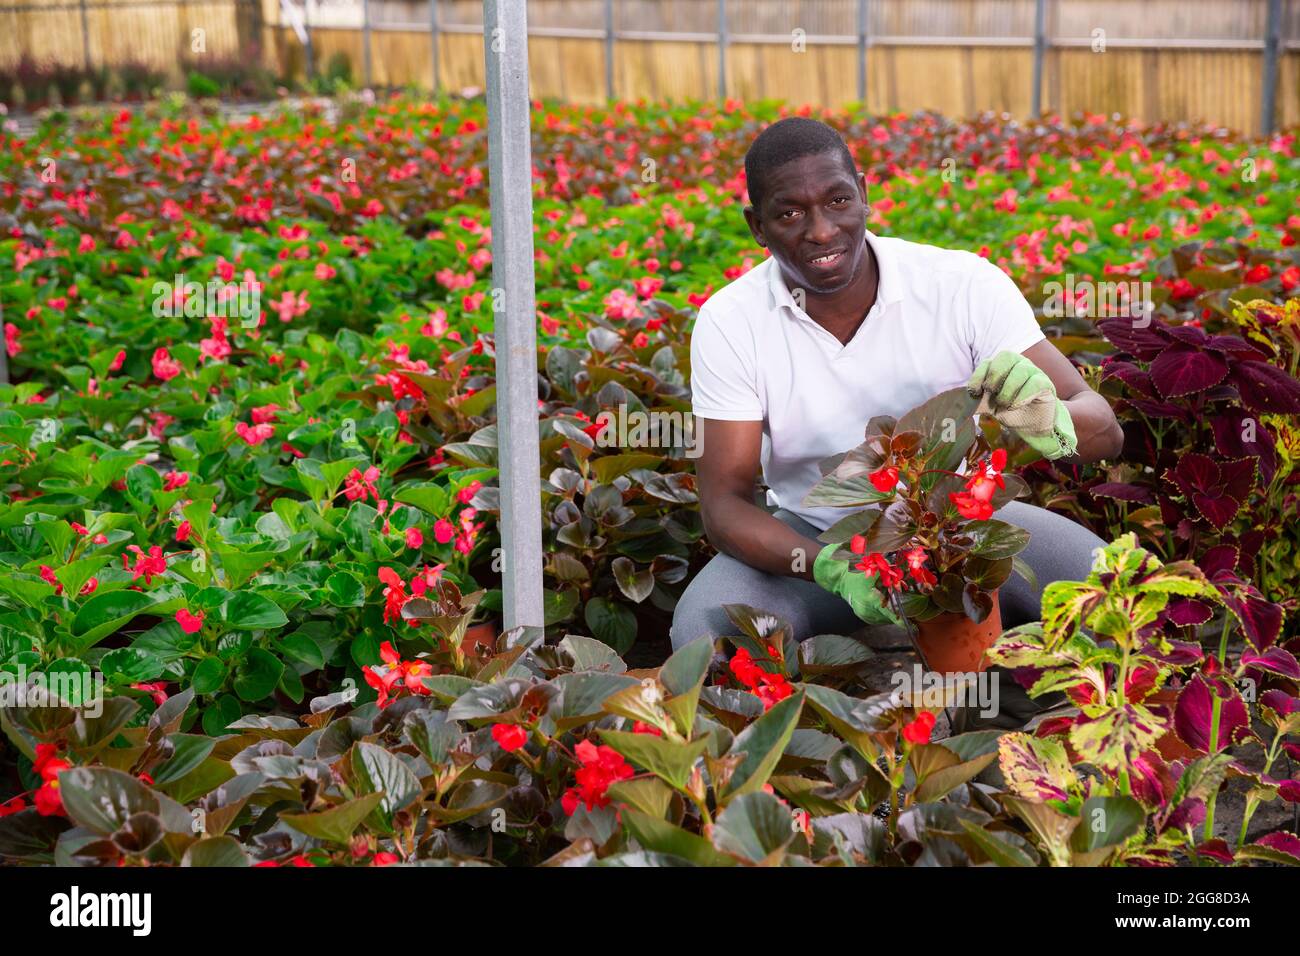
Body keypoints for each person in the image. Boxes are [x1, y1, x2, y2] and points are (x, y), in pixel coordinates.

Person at [672, 118, 1123, 723]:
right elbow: (724, 506)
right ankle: (824, 759)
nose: (822, 230)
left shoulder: (961, 285)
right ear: (757, 226)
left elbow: (1104, 431)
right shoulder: (733, 322)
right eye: (790, 214)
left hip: (961, 528)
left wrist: (1047, 417)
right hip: (822, 536)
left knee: (1112, 595)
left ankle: (1033, 732)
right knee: (705, 638)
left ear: (864, 191)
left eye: (838, 200)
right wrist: (828, 565)